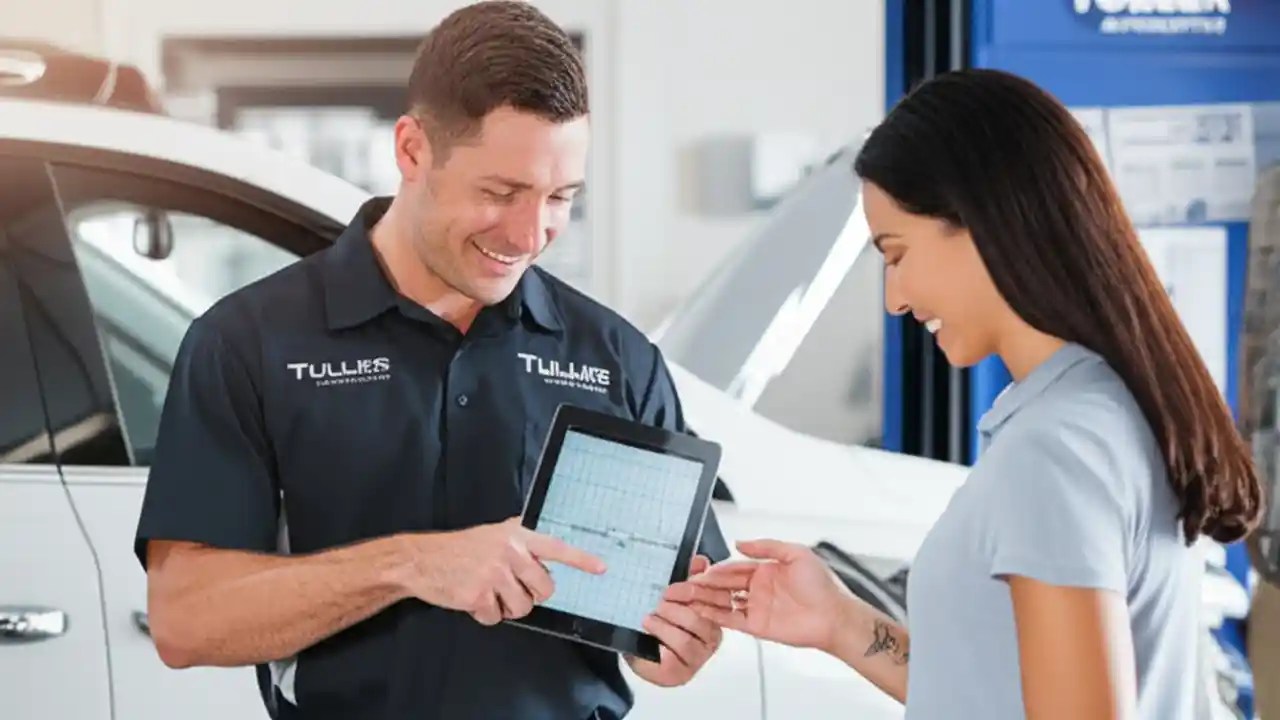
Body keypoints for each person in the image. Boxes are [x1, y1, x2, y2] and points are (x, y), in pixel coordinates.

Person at [133, 3, 728, 719]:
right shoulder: (248, 344)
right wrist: (411, 564)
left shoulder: (617, 359)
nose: (530, 234)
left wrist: (676, 644)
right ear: (413, 150)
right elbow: (185, 621)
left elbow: (662, 626)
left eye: (560, 198)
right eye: (501, 193)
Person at [667, 68, 1265, 719]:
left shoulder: (1056, 449)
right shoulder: (1096, 411)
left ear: (981, 222)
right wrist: (840, 622)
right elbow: (998, 694)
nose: (895, 299)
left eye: (897, 254)